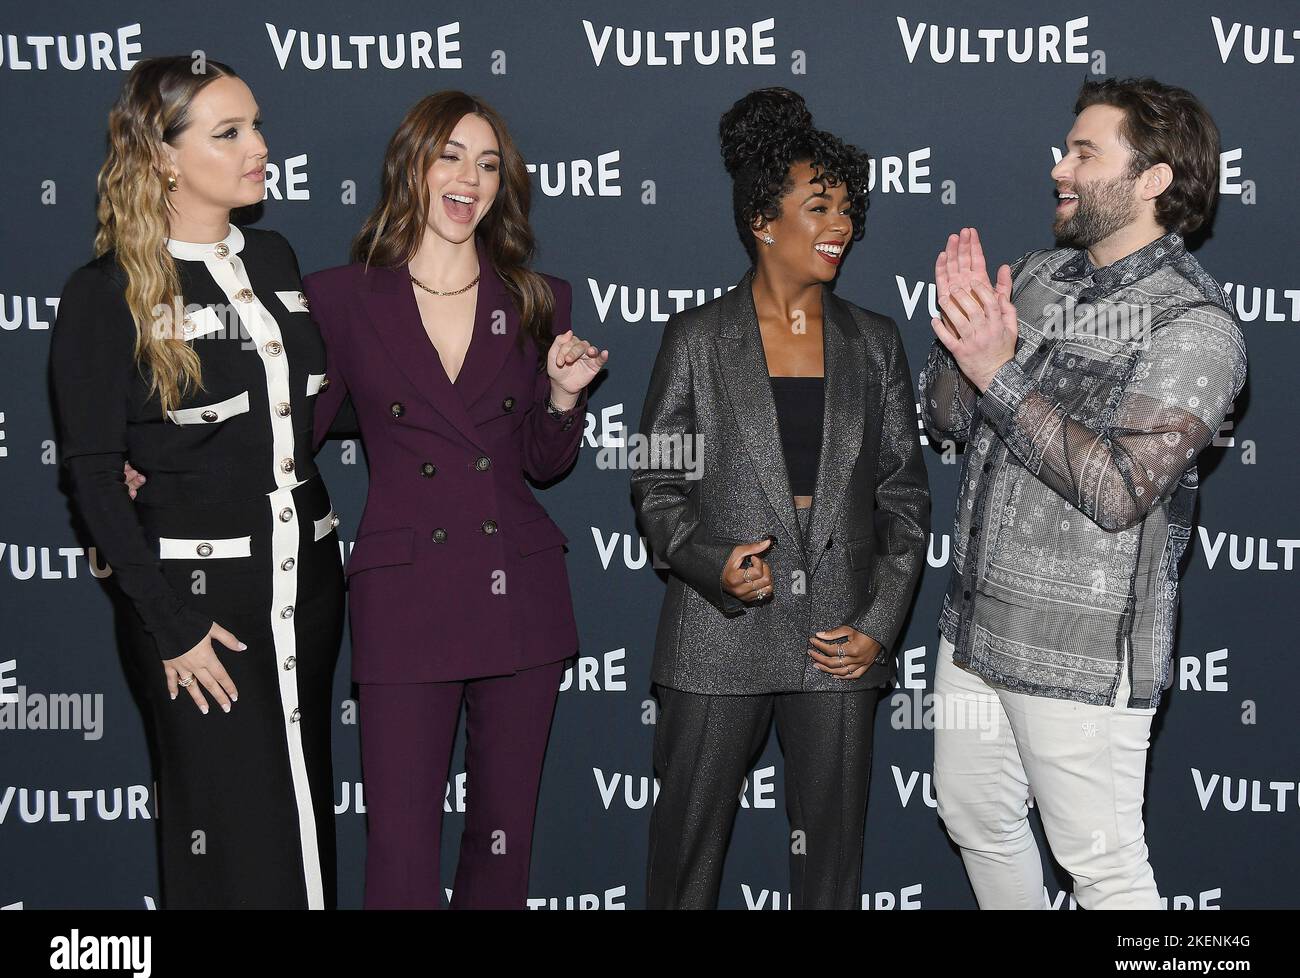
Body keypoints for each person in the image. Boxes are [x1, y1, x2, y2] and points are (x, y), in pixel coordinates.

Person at [921, 78, 1248, 909]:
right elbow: (951, 419)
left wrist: (998, 371)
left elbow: (1118, 488)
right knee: (975, 817)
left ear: (1153, 180)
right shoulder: (1036, 276)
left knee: (1102, 872)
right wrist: (963, 341)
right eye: (1067, 149)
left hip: (1081, 657)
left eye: (1084, 152)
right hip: (973, 634)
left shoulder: (1196, 326)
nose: (1060, 167)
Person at [50, 56, 344, 908]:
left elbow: (300, 419)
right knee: (226, 837)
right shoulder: (103, 294)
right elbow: (94, 479)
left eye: (256, 126)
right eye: (230, 133)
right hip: (197, 612)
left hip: (308, 591)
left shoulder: (278, 257)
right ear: (164, 157)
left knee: (301, 815)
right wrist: (172, 624)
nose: (260, 147)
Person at [303, 91, 608, 909]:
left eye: (487, 162)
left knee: (499, 852)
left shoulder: (540, 298)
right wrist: (176, 471)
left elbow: (543, 466)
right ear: (413, 165)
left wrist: (562, 397)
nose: (468, 177)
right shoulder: (340, 299)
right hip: (404, 600)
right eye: (450, 156)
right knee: (399, 856)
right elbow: (290, 438)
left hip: (521, 596)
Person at [631, 88, 930, 909]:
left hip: (840, 641)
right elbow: (656, 480)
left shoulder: (874, 343)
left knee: (830, 877)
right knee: (681, 865)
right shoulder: (696, 338)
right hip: (716, 638)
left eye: (847, 208)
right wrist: (709, 561)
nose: (841, 224)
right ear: (765, 221)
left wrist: (879, 623)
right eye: (819, 205)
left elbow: (904, 497)